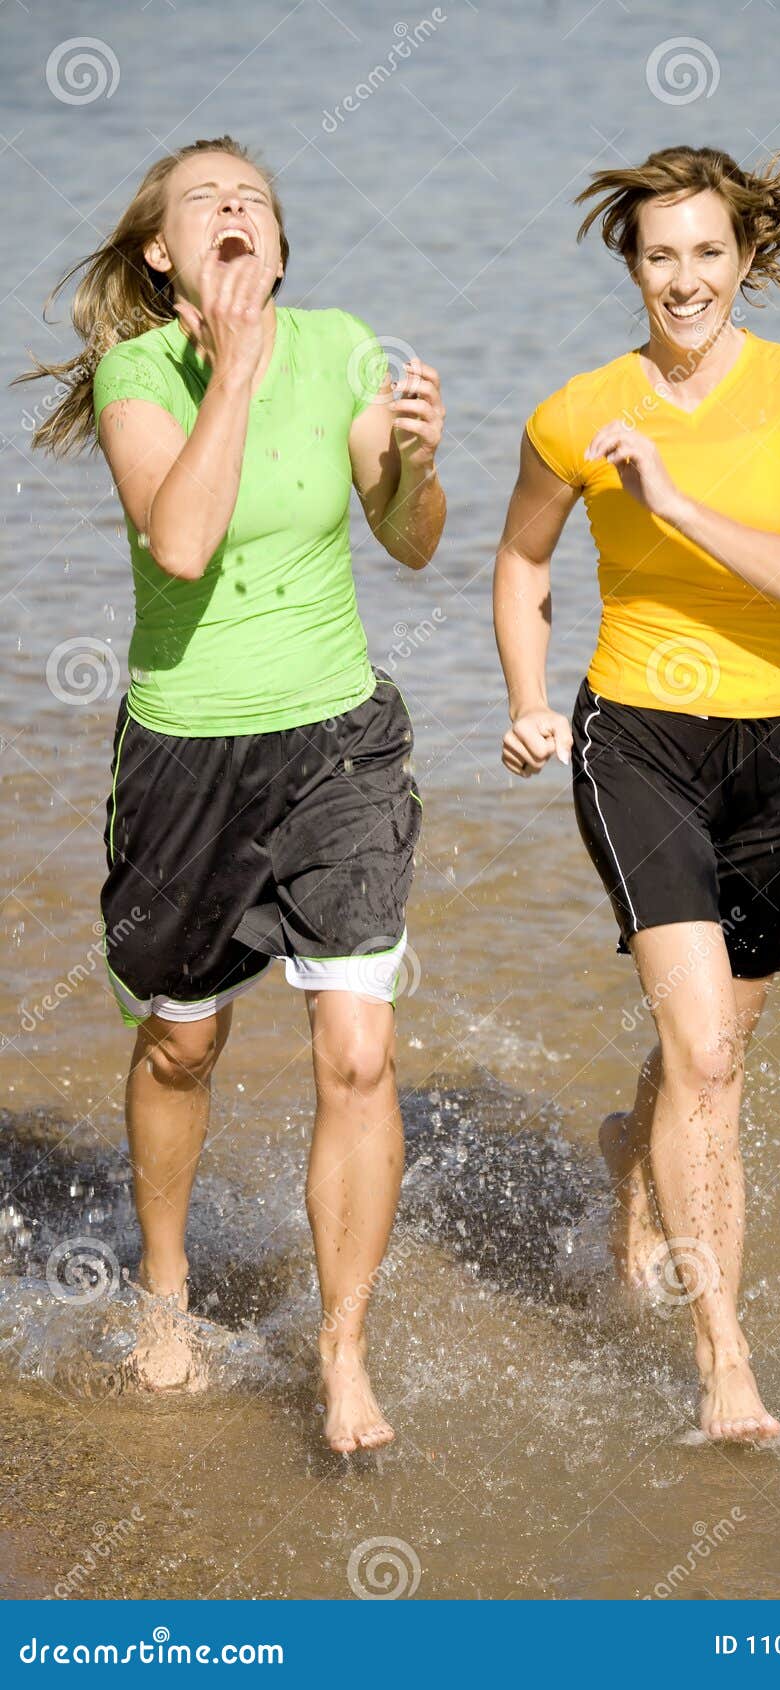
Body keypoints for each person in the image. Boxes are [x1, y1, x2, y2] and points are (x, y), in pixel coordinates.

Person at [15, 135, 446, 1453]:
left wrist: (413, 468)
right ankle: (166, 1286)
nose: (236, 209)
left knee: (360, 1051)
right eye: (207, 199)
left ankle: (342, 1349)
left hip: (338, 743)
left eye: (254, 197)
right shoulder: (139, 371)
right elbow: (185, 539)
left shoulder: (342, 345)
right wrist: (237, 372)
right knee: (180, 1044)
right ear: (162, 249)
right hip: (191, 751)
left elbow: (412, 542)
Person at [492, 144, 780, 1443]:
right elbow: (522, 555)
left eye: (710, 252)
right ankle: (727, 1369)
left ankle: (633, 1165)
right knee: (705, 1053)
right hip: (636, 736)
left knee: (720, 1047)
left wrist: (672, 494)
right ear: (632, 265)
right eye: (662, 256)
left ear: (744, 260)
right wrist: (529, 695)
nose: (686, 278)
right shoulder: (576, 411)